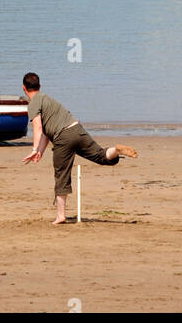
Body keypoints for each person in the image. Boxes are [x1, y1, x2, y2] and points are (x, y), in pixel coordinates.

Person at [21, 72, 137, 225]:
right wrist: (41, 152)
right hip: (76, 129)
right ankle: (116, 149)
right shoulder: (48, 99)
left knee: (61, 175)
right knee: (100, 155)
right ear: (40, 86)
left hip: (63, 137)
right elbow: (47, 133)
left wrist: (34, 149)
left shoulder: (34, 102)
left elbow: (38, 127)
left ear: (24, 88)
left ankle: (61, 216)